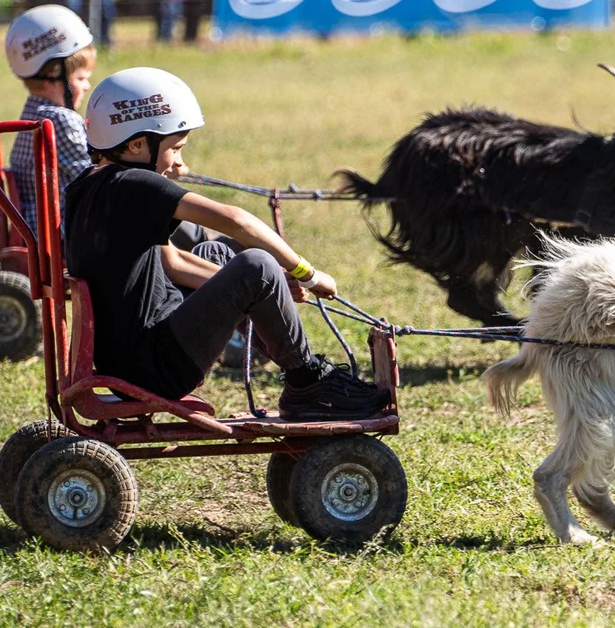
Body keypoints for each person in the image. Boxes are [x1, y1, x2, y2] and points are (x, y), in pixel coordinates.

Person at [66, 67, 389, 420]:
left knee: (216, 254)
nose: (181, 164)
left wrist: (270, 289)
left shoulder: (90, 185)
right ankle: (307, 381)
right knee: (256, 265)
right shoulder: (134, 184)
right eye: (175, 148)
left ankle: (280, 340)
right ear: (137, 144)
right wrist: (305, 273)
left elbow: (171, 262)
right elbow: (237, 221)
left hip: (131, 358)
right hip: (152, 367)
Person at [4, 5, 96, 235]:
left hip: (38, 229)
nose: (87, 85)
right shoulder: (60, 120)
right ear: (53, 76)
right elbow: (98, 181)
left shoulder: (33, 113)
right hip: (68, 232)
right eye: (81, 77)